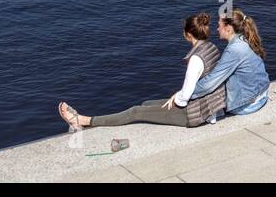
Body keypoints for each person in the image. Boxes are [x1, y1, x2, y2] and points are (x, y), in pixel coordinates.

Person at [58, 12, 227, 130]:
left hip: (193, 115)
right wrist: (179, 94)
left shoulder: (196, 59)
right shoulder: (211, 48)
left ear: (188, 34)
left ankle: (84, 120)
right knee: (146, 104)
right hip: (209, 109)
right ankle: (88, 121)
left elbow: (185, 98)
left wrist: (178, 97)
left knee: (135, 111)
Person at [187, 8, 270, 117]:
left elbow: (210, 84)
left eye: (219, 25)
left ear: (228, 29)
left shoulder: (234, 49)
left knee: (211, 89)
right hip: (262, 94)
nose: (217, 29)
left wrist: (186, 93)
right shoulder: (245, 39)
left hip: (248, 105)